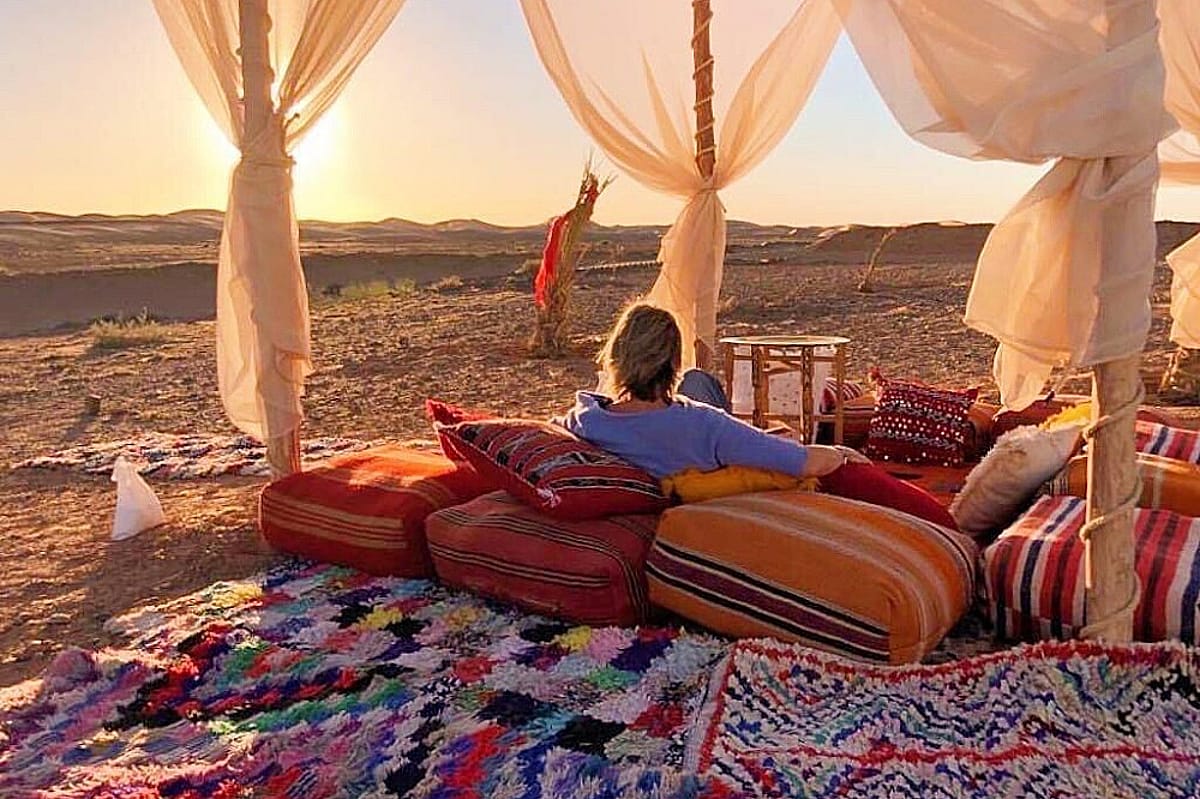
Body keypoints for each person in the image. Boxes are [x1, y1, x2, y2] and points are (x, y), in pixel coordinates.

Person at [557, 302, 869, 480]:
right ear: (673, 360)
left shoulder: (584, 418)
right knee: (700, 382)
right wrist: (840, 453)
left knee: (699, 380)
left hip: (683, 429)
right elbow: (805, 463)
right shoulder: (703, 426)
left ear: (615, 357)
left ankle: (759, 434)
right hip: (713, 447)